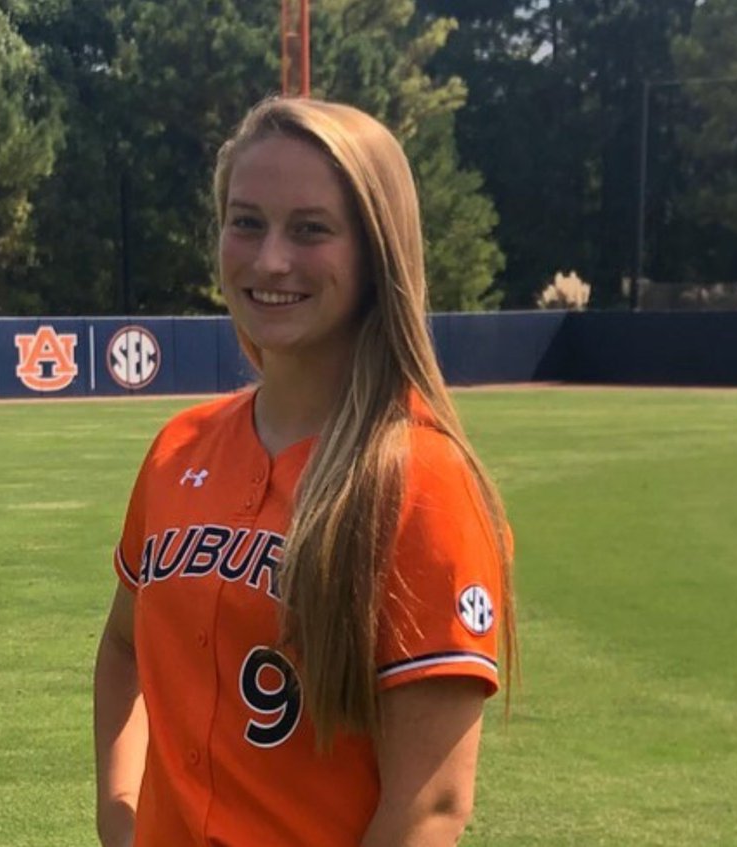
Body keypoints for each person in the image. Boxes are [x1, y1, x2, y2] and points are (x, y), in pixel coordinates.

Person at [94, 96, 516, 847]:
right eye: (246, 221)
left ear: (375, 252)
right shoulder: (177, 449)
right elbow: (124, 643)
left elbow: (428, 809)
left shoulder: (420, 483)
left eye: (311, 229)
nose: (270, 259)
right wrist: (119, 808)